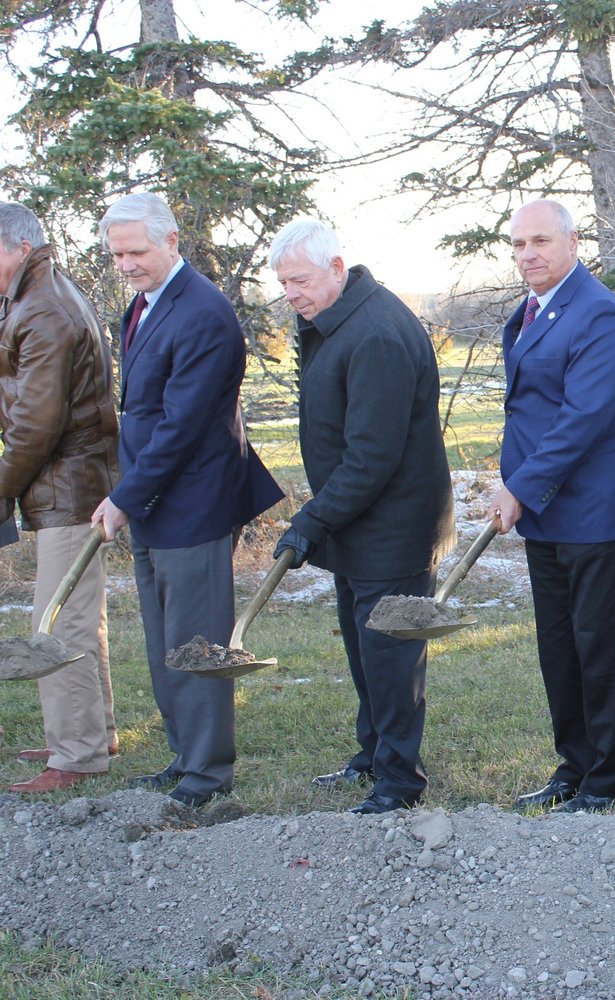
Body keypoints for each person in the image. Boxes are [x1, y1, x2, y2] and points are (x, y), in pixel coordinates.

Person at [92, 192, 283, 808]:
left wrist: (123, 497)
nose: (125, 264)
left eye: (136, 252)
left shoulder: (202, 311)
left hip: (193, 501)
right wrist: (130, 495)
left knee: (197, 642)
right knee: (161, 638)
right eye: (117, 254)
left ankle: (207, 776)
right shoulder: (144, 304)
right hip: (153, 503)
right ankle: (184, 757)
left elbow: (182, 426)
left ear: (172, 241)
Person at [269, 218, 455, 816]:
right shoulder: (334, 323)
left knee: (391, 657)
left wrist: (311, 519)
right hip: (359, 526)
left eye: (298, 280)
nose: (290, 294)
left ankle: (400, 784)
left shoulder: (374, 333)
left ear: (336, 268)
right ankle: (373, 755)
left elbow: (372, 456)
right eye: (283, 283)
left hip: (394, 528)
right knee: (363, 650)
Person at [489, 200, 615, 814]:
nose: (527, 254)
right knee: (558, 646)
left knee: (598, 644)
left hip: (597, 511)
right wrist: (516, 486)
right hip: (547, 511)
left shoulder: (599, 314)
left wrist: (520, 487)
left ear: (572, 242)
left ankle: (608, 781)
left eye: (540, 241)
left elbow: (580, 420)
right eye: (517, 244)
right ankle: (575, 766)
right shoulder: (532, 310)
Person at [0, 202, 119, 794]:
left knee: (58, 625)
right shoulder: (43, 290)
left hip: (69, 487)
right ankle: (94, 734)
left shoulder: (41, 307)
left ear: (18, 247)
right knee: (77, 616)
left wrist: (2, 489)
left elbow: (34, 425)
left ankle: (76, 757)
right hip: (73, 485)